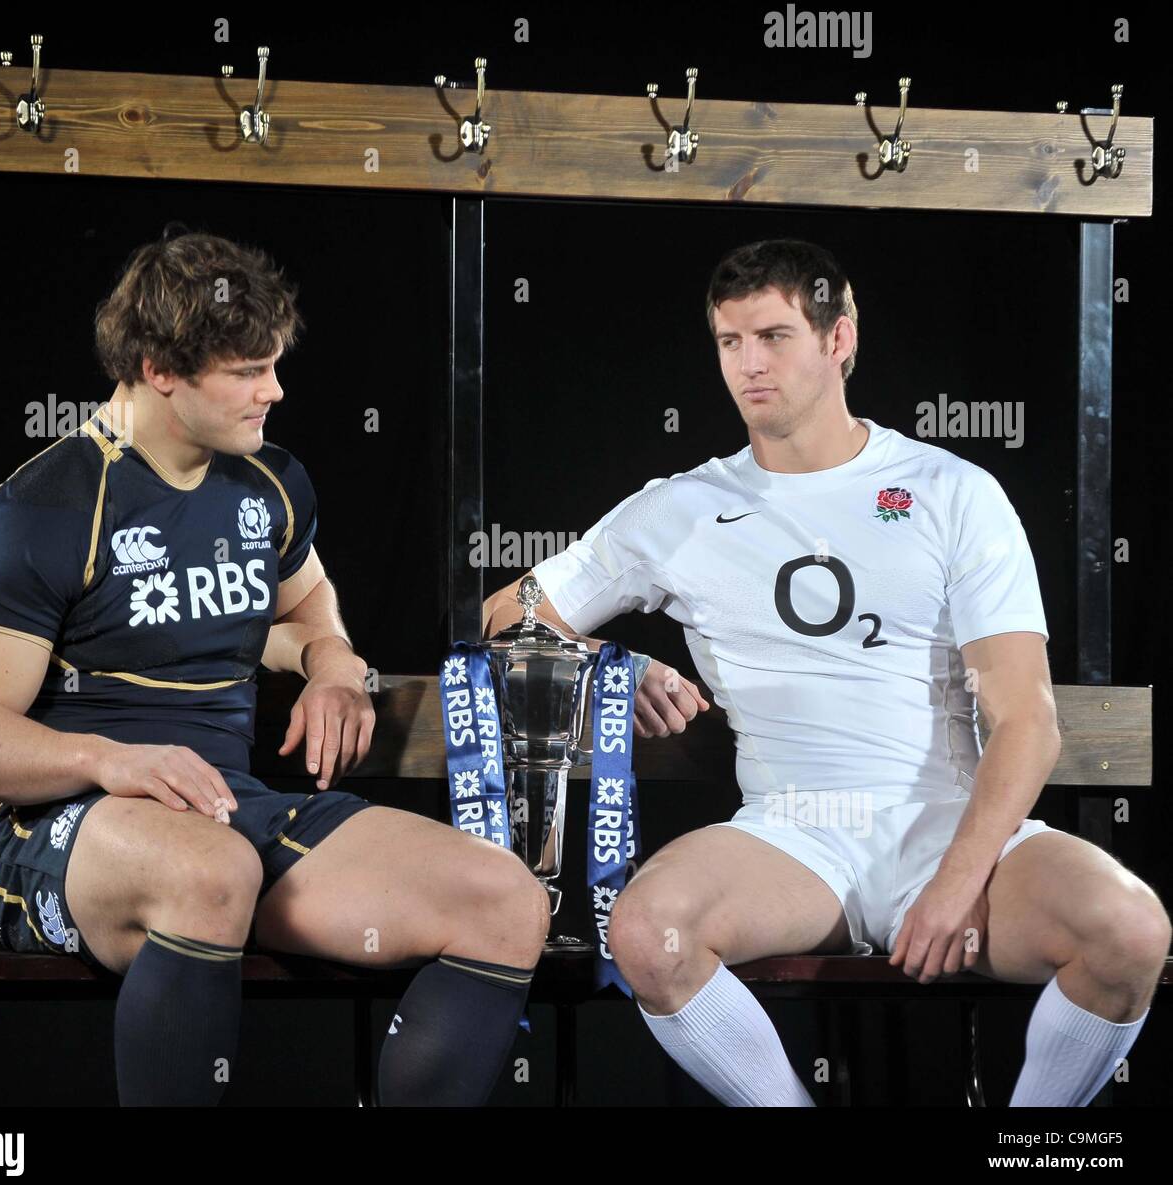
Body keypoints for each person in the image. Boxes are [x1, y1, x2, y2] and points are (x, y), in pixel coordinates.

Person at [484, 238, 1170, 1107]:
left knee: (1130, 930)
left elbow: (1028, 723)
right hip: (793, 831)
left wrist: (956, 885)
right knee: (649, 932)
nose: (747, 365)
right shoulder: (682, 508)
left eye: (773, 337)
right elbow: (504, 617)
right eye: (729, 343)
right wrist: (606, 656)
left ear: (839, 339)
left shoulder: (950, 491)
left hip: (945, 826)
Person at [0, 226, 549, 1106]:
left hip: (226, 809)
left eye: (275, 365)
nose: (275, 390)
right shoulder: (46, 508)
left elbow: (300, 607)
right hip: (63, 826)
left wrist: (332, 660)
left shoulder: (269, 482)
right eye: (249, 372)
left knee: (505, 901)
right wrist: (112, 760)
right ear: (160, 368)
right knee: (210, 873)